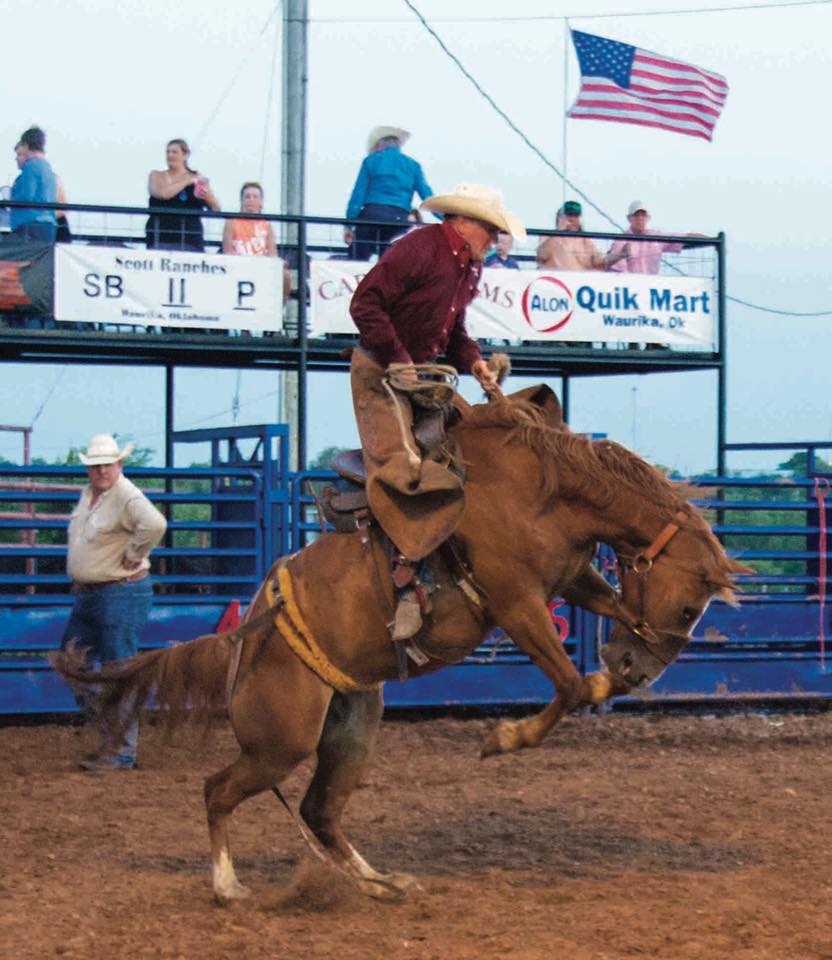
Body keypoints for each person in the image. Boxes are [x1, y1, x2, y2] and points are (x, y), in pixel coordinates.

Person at [349, 183, 525, 640]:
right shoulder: (419, 248)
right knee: (404, 469)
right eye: (490, 229)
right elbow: (364, 304)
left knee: (475, 442)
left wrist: (474, 361)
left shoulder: (468, 266)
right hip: (379, 373)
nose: (494, 239)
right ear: (463, 222)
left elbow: (454, 330)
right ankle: (406, 578)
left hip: (424, 377)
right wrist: (399, 359)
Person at [60, 434, 167, 771]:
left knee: (117, 669)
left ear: (119, 464)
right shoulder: (90, 495)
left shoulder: (126, 495)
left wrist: (135, 552)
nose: (101, 470)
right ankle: (115, 738)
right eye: (96, 465)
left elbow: (155, 524)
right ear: (89, 469)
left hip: (120, 591)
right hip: (93, 593)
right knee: (72, 662)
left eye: (107, 464)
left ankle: (121, 751)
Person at [345, 126, 433, 260]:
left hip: (371, 215)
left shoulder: (371, 161)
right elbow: (427, 196)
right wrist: (446, 217)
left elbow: (358, 195)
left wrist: (349, 224)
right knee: (391, 261)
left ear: (380, 145)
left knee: (358, 258)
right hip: (399, 218)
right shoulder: (413, 165)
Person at [145, 138, 219, 252]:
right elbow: (162, 193)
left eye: (174, 152)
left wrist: (205, 193)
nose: (170, 155)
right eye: (168, 152)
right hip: (160, 238)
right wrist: (187, 181)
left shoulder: (196, 178)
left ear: (185, 155)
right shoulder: (156, 175)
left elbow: (216, 208)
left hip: (190, 240)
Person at [536, 200, 629, 271]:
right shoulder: (548, 236)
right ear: (560, 217)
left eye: (576, 216)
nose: (572, 219)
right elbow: (542, 256)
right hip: (556, 285)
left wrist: (620, 255)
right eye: (569, 215)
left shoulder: (585, 240)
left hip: (579, 285)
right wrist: (559, 232)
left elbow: (600, 261)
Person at [608, 200, 695, 274]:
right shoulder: (620, 242)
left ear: (648, 218)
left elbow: (681, 237)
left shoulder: (656, 237)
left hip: (652, 284)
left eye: (643, 215)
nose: (640, 218)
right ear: (629, 218)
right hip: (630, 286)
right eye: (636, 215)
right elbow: (620, 272)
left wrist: (702, 239)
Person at [10, 126, 57, 242]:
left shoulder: (31, 166)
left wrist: (8, 201)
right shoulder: (47, 168)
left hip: (30, 225)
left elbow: (26, 196)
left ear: (26, 145)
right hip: (47, 225)